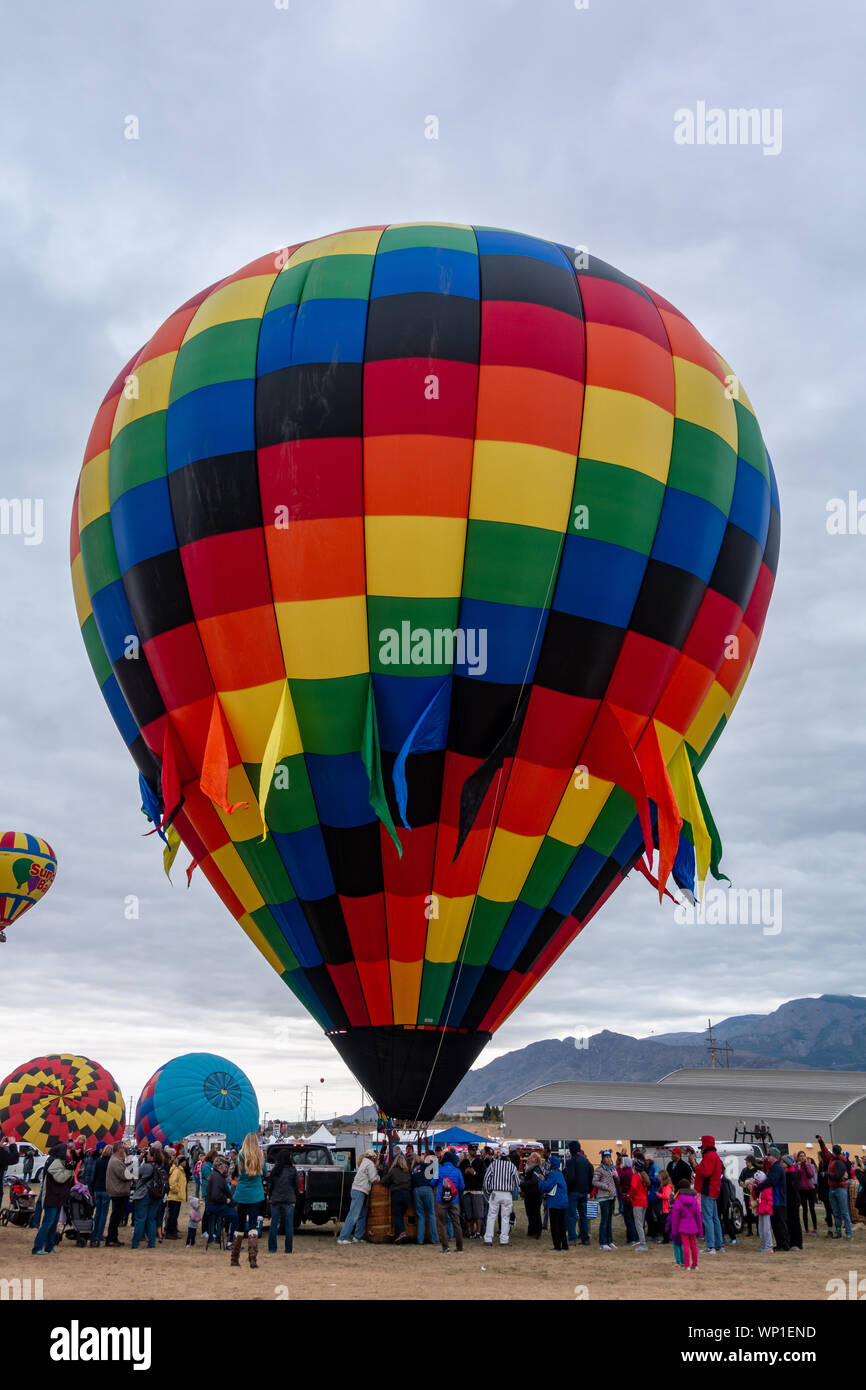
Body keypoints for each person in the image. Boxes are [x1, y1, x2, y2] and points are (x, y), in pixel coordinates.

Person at [31, 1143, 74, 1255]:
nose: (69, 1153)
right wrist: (69, 1170)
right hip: (51, 1198)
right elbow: (60, 1178)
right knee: (47, 1223)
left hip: (58, 1198)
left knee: (54, 1224)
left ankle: (49, 1247)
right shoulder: (55, 1163)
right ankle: (37, 1247)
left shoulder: (62, 1162)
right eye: (67, 1151)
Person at [231, 1132, 265, 1267]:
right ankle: (252, 1258)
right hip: (256, 1194)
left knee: (239, 1225)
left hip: (242, 1194)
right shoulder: (260, 1156)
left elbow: (237, 1172)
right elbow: (265, 1172)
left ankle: (234, 1258)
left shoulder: (240, 1156)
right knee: (253, 1226)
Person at [337, 1150, 379, 1245]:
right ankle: (342, 1238)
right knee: (353, 1215)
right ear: (372, 1157)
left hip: (358, 1190)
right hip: (360, 1191)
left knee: (362, 1215)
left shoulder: (364, 1162)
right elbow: (373, 1179)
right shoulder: (370, 1165)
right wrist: (380, 1178)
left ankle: (358, 1237)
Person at [818, 1135, 853, 1238]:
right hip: (832, 1189)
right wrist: (821, 1141)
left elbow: (837, 1177)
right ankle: (838, 1232)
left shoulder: (840, 1163)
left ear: (834, 1151)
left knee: (844, 1212)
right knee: (837, 1212)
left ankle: (849, 1233)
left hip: (840, 1189)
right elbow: (824, 1151)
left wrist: (827, 1174)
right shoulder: (832, 1159)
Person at [694, 1135, 724, 1254]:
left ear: (706, 1146)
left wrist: (695, 1165)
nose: (701, 1150)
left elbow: (705, 1172)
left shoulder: (709, 1156)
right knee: (714, 1218)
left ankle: (711, 1246)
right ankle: (718, 1245)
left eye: (702, 1146)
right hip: (713, 1190)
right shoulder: (714, 1155)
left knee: (707, 1218)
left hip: (708, 1190)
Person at [267, 1146, 298, 1254]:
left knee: (273, 1224)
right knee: (289, 1225)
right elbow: (295, 1186)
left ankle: (272, 1248)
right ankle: (288, 1249)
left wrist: (270, 1196)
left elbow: (270, 1185)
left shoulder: (275, 1171)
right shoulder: (292, 1170)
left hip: (275, 1199)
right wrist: (296, 1196)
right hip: (289, 1199)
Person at [483, 1148, 517, 1247]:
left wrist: (489, 1190)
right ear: (507, 1156)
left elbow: (486, 1179)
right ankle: (504, 1240)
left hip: (495, 1193)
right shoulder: (512, 1166)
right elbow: (517, 1181)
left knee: (491, 1216)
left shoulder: (494, 1164)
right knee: (505, 1217)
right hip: (507, 1194)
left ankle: (488, 1239)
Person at [434, 1149, 465, 1253]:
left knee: (442, 1224)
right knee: (456, 1223)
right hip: (454, 1200)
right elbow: (462, 1186)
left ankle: (445, 1247)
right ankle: (460, 1247)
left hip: (441, 1200)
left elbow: (433, 1183)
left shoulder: (439, 1170)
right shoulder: (457, 1171)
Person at [564, 1141, 594, 1247]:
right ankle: (585, 1238)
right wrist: (589, 1189)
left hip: (573, 1192)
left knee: (571, 1216)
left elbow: (570, 1178)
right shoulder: (587, 1161)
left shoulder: (571, 1161)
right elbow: (592, 1175)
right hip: (584, 1192)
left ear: (571, 1150)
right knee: (583, 1216)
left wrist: (567, 1189)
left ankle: (572, 1239)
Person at [670, 1179, 703, 1271]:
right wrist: (700, 1231)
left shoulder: (678, 1200)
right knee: (694, 1246)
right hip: (693, 1227)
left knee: (685, 1246)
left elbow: (675, 1218)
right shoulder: (694, 1200)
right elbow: (698, 1216)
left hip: (683, 1227)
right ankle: (695, 1264)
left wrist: (674, 1231)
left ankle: (687, 1265)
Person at [104, 1142, 133, 1247]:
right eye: (123, 1148)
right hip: (118, 1192)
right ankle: (111, 1239)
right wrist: (133, 1166)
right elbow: (125, 1175)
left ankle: (114, 1238)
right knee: (115, 1217)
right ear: (118, 1149)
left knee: (116, 1216)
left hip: (118, 1191)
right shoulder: (115, 1161)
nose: (124, 1150)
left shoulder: (116, 1160)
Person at [539, 1153, 569, 1250]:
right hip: (563, 1202)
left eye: (548, 1163)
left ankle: (557, 1246)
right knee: (562, 1225)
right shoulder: (559, 1173)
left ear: (552, 1164)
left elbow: (545, 1187)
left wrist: (541, 1181)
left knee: (555, 1225)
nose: (547, 1164)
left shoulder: (553, 1174)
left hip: (555, 1203)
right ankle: (564, 1245)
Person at [381, 1152, 413, 1244]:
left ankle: (402, 1233)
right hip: (407, 1195)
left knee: (397, 1216)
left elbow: (383, 1181)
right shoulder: (407, 1172)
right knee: (401, 1216)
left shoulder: (394, 1171)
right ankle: (398, 1235)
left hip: (397, 1195)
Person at [205, 1158, 237, 1244]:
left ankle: (227, 1239)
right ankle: (230, 1242)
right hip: (215, 1206)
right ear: (220, 1166)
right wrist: (226, 1199)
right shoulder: (217, 1177)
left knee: (233, 1212)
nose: (226, 1167)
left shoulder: (216, 1175)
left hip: (213, 1205)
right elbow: (216, 1195)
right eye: (224, 1165)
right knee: (235, 1216)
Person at [764, 1147, 790, 1251]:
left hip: (778, 1200)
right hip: (775, 1199)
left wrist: (760, 1186)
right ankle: (780, 1244)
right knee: (775, 1223)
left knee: (780, 1223)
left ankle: (784, 1245)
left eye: (769, 1155)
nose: (767, 1157)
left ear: (774, 1156)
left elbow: (771, 1181)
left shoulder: (777, 1168)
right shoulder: (775, 1167)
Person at [592, 1150, 619, 1250]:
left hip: (612, 1197)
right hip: (604, 1197)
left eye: (609, 1157)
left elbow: (616, 1183)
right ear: (603, 1159)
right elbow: (594, 1182)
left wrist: (616, 1177)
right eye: (606, 1157)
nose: (609, 1159)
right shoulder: (599, 1170)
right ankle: (603, 1243)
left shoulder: (612, 1169)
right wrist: (605, 1186)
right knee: (604, 1220)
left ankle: (610, 1241)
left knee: (609, 1220)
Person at [410, 1152, 437, 1246]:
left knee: (421, 1216)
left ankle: (420, 1240)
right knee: (431, 1214)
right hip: (426, 1188)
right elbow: (436, 1169)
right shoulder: (426, 1166)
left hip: (416, 1190)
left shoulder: (413, 1169)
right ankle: (434, 1238)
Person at [459, 1147, 485, 1240]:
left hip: (477, 1190)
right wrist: (464, 1172)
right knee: (468, 1213)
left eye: (476, 1150)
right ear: (469, 1151)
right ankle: (470, 1231)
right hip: (466, 1190)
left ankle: (478, 1232)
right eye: (473, 1150)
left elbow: (483, 1175)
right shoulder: (464, 1163)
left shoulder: (480, 1162)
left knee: (478, 1213)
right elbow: (459, 1175)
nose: (475, 1151)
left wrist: (474, 1173)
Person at [91, 1141, 111, 1246]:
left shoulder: (98, 1161)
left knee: (97, 1212)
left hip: (97, 1188)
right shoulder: (110, 1162)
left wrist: (93, 1189)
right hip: (105, 1189)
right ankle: (99, 1234)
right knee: (103, 1213)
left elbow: (94, 1175)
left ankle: (94, 1232)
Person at [617, 1155, 639, 1246]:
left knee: (628, 1218)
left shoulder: (626, 1172)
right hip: (631, 1197)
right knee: (631, 1218)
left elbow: (618, 1175)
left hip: (627, 1198)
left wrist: (619, 1168)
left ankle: (634, 1238)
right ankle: (630, 1238)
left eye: (622, 1162)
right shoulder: (631, 1171)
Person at [522, 1150, 544, 1239]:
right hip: (529, 1194)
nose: (529, 1158)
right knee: (530, 1213)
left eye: (531, 1156)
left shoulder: (536, 1169)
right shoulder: (529, 1168)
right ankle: (531, 1230)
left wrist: (523, 1183)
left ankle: (537, 1232)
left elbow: (534, 1180)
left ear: (535, 1159)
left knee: (535, 1213)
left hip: (535, 1195)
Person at [794, 1151, 818, 1234]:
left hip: (811, 1189)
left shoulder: (809, 1165)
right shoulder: (796, 1166)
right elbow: (797, 1177)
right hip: (802, 1190)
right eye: (800, 1156)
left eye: (803, 1156)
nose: (802, 1158)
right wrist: (799, 1168)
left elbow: (811, 1175)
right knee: (804, 1209)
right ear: (798, 1158)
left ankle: (815, 1228)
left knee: (812, 1209)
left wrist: (807, 1165)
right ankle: (806, 1229)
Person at [783, 1155, 803, 1250]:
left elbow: (793, 1190)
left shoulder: (791, 1174)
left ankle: (797, 1243)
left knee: (795, 1222)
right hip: (789, 1201)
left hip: (793, 1202)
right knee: (790, 1222)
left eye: (783, 1162)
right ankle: (791, 1241)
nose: (781, 1164)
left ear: (787, 1164)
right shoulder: (787, 1173)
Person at [738, 1154, 760, 1237]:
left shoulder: (757, 1170)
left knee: (757, 1213)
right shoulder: (744, 1170)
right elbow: (740, 1178)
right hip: (746, 1195)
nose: (746, 1163)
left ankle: (759, 1231)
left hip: (755, 1195)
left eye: (748, 1162)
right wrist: (740, 1182)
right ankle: (750, 1231)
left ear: (752, 1162)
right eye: (746, 1162)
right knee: (748, 1213)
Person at [753, 1171, 775, 1254]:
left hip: (765, 1211)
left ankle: (769, 1246)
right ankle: (763, 1245)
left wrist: (766, 1208)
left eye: (757, 1180)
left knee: (766, 1229)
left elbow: (769, 1200)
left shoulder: (767, 1188)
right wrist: (754, 1189)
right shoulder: (759, 1188)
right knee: (761, 1229)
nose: (756, 1182)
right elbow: (755, 1197)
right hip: (760, 1210)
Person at [165, 1156, 186, 1239]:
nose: (185, 1163)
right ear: (181, 1162)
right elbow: (172, 1183)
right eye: (184, 1161)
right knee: (172, 1216)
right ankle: (169, 1232)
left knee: (174, 1216)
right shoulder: (177, 1171)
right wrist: (177, 1190)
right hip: (174, 1196)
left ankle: (173, 1231)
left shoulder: (181, 1171)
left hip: (177, 1196)